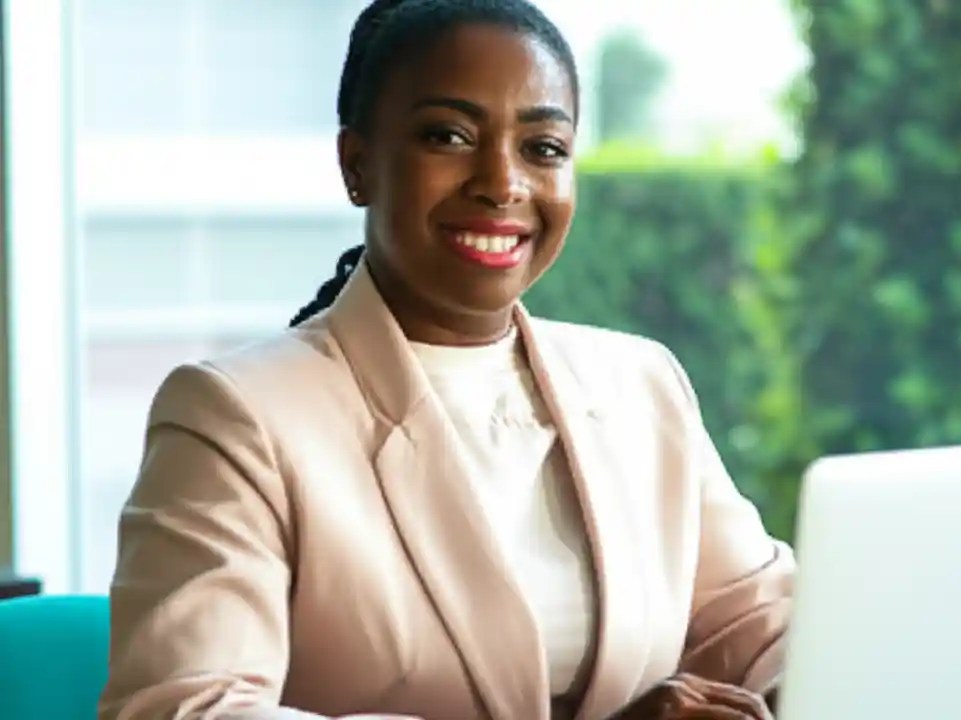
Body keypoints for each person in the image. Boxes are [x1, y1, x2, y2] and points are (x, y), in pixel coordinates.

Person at [99, 1, 793, 718]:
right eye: (448, 136)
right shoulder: (237, 416)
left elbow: (764, 628)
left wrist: (818, 673)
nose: (502, 182)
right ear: (357, 165)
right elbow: (189, 707)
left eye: (543, 147)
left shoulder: (643, 388)